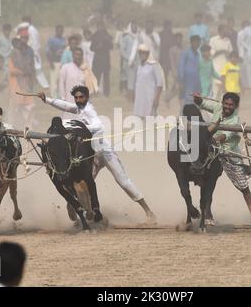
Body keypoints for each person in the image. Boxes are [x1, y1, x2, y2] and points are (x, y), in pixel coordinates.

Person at [37, 85, 157, 224]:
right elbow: (65, 106)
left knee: (123, 181)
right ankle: (86, 212)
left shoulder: (89, 109)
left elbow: (98, 126)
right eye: (76, 97)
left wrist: (79, 128)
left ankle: (149, 212)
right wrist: (47, 100)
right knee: (84, 186)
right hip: (91, 154)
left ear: (87, 98)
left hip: (104, 151)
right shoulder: (79, 108)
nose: (78, 100)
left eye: (81, 97)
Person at [194, 92, 251, 227]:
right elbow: (202, 103)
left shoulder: (235, 120)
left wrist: (210, 139)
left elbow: (224, 136)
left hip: (228, 154)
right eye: (226, 104)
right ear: (222, 102)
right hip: (212, 152)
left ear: (235, 106)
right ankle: (206, 213)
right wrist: (197, 98)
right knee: (205, 179)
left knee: (243, 186)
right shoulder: (217, 107)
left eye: (231, 105)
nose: (228, 107)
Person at [8, 36, 35, 128]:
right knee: (15, 108)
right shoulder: (12, 55)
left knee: (29, 106)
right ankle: (12, 126)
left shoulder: (25, 55)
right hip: (15, 85)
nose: (19, 46)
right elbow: (11, 70)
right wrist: (22, 72)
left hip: (25, 85)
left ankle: (28, 126)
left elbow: (30, 69)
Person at [134, 44, 164, 117]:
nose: (141, 55)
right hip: (140, 98)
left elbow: (159, 83)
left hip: (150, 97)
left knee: (150, 120)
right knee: (139, 120)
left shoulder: (153, 65)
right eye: (140, 53)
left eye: (143, 53)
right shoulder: (139, 67)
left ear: (147, 54)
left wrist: (157, 98)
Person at [209, 24, 232, 97]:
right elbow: (211, 53)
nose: (227, 31)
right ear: (220, 30)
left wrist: (228, 54)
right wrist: (222, 51)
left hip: (225, 66)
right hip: (216, 66)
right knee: (215, 88)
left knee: (224, 88)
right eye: (225, 29)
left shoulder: (228, 40)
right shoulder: (213, 40)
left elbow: (230, 54)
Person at [178, 35, 201, 107]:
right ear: (191, 43)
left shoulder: (198, 54)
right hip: (187, 80)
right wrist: (181, 80)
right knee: (188, 98)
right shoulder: (185, 53)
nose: (197, 44)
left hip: (197, 80)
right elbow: (181, 66)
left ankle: (194, 117)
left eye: (199, 42)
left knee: (196, 98)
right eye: (196, 42)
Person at [91, 20, 113, 97]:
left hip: (106, 58)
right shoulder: (94, 35)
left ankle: (106, 93)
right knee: (97, 75)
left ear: (103, 27)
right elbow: (92, 48)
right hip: (97, 58)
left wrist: (106, 43)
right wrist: (97, 47)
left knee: (106, 76)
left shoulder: (107, 35)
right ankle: (96, 92)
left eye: (101, 26)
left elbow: (111, 46)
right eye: (98, 26)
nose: (99, 28)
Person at [120, 21, 140, 101]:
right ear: (130, 28)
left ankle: (135, 99)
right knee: (130, 82)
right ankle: (130, 100)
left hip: (138, 63)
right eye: (133, 27)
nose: (134, 28)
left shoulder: (139, 37)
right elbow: (122, 51)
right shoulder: (126, 37)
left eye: (135, 26)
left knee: (136, 82)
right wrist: (129, 59)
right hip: (129, 63)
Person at [46, 25, 66, 99]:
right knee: (53, 80)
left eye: (61, 30)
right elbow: (48, 51)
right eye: (59, 30)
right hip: (54, 61)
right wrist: (50, 62)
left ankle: (60, 95)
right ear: (56, 31)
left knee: (61, 80)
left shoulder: (63, 40)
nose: (60, 32)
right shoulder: (51, 40)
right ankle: (53, 96)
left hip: (62, 62)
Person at [164, 33, 183, 107]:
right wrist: (174, 73)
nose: (179, 40)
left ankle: (180, 104)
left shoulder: (184, 49)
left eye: (180, 39)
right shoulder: (172, 50)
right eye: (177, 39)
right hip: (175, 72)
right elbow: (172, 62)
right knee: (174, 88)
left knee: (179, 89)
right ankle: (167, 99)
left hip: (182, 72)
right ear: (175, 40)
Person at [159, 20, 175, 84]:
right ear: (166, 26)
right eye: (169, 26)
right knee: (165, 74)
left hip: (170, 58)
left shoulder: (172, 35)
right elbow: (160, 47)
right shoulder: (160, 34)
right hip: (164, 57)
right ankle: (166, 88)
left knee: (172, 74)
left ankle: (171, 89)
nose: (170, 27)